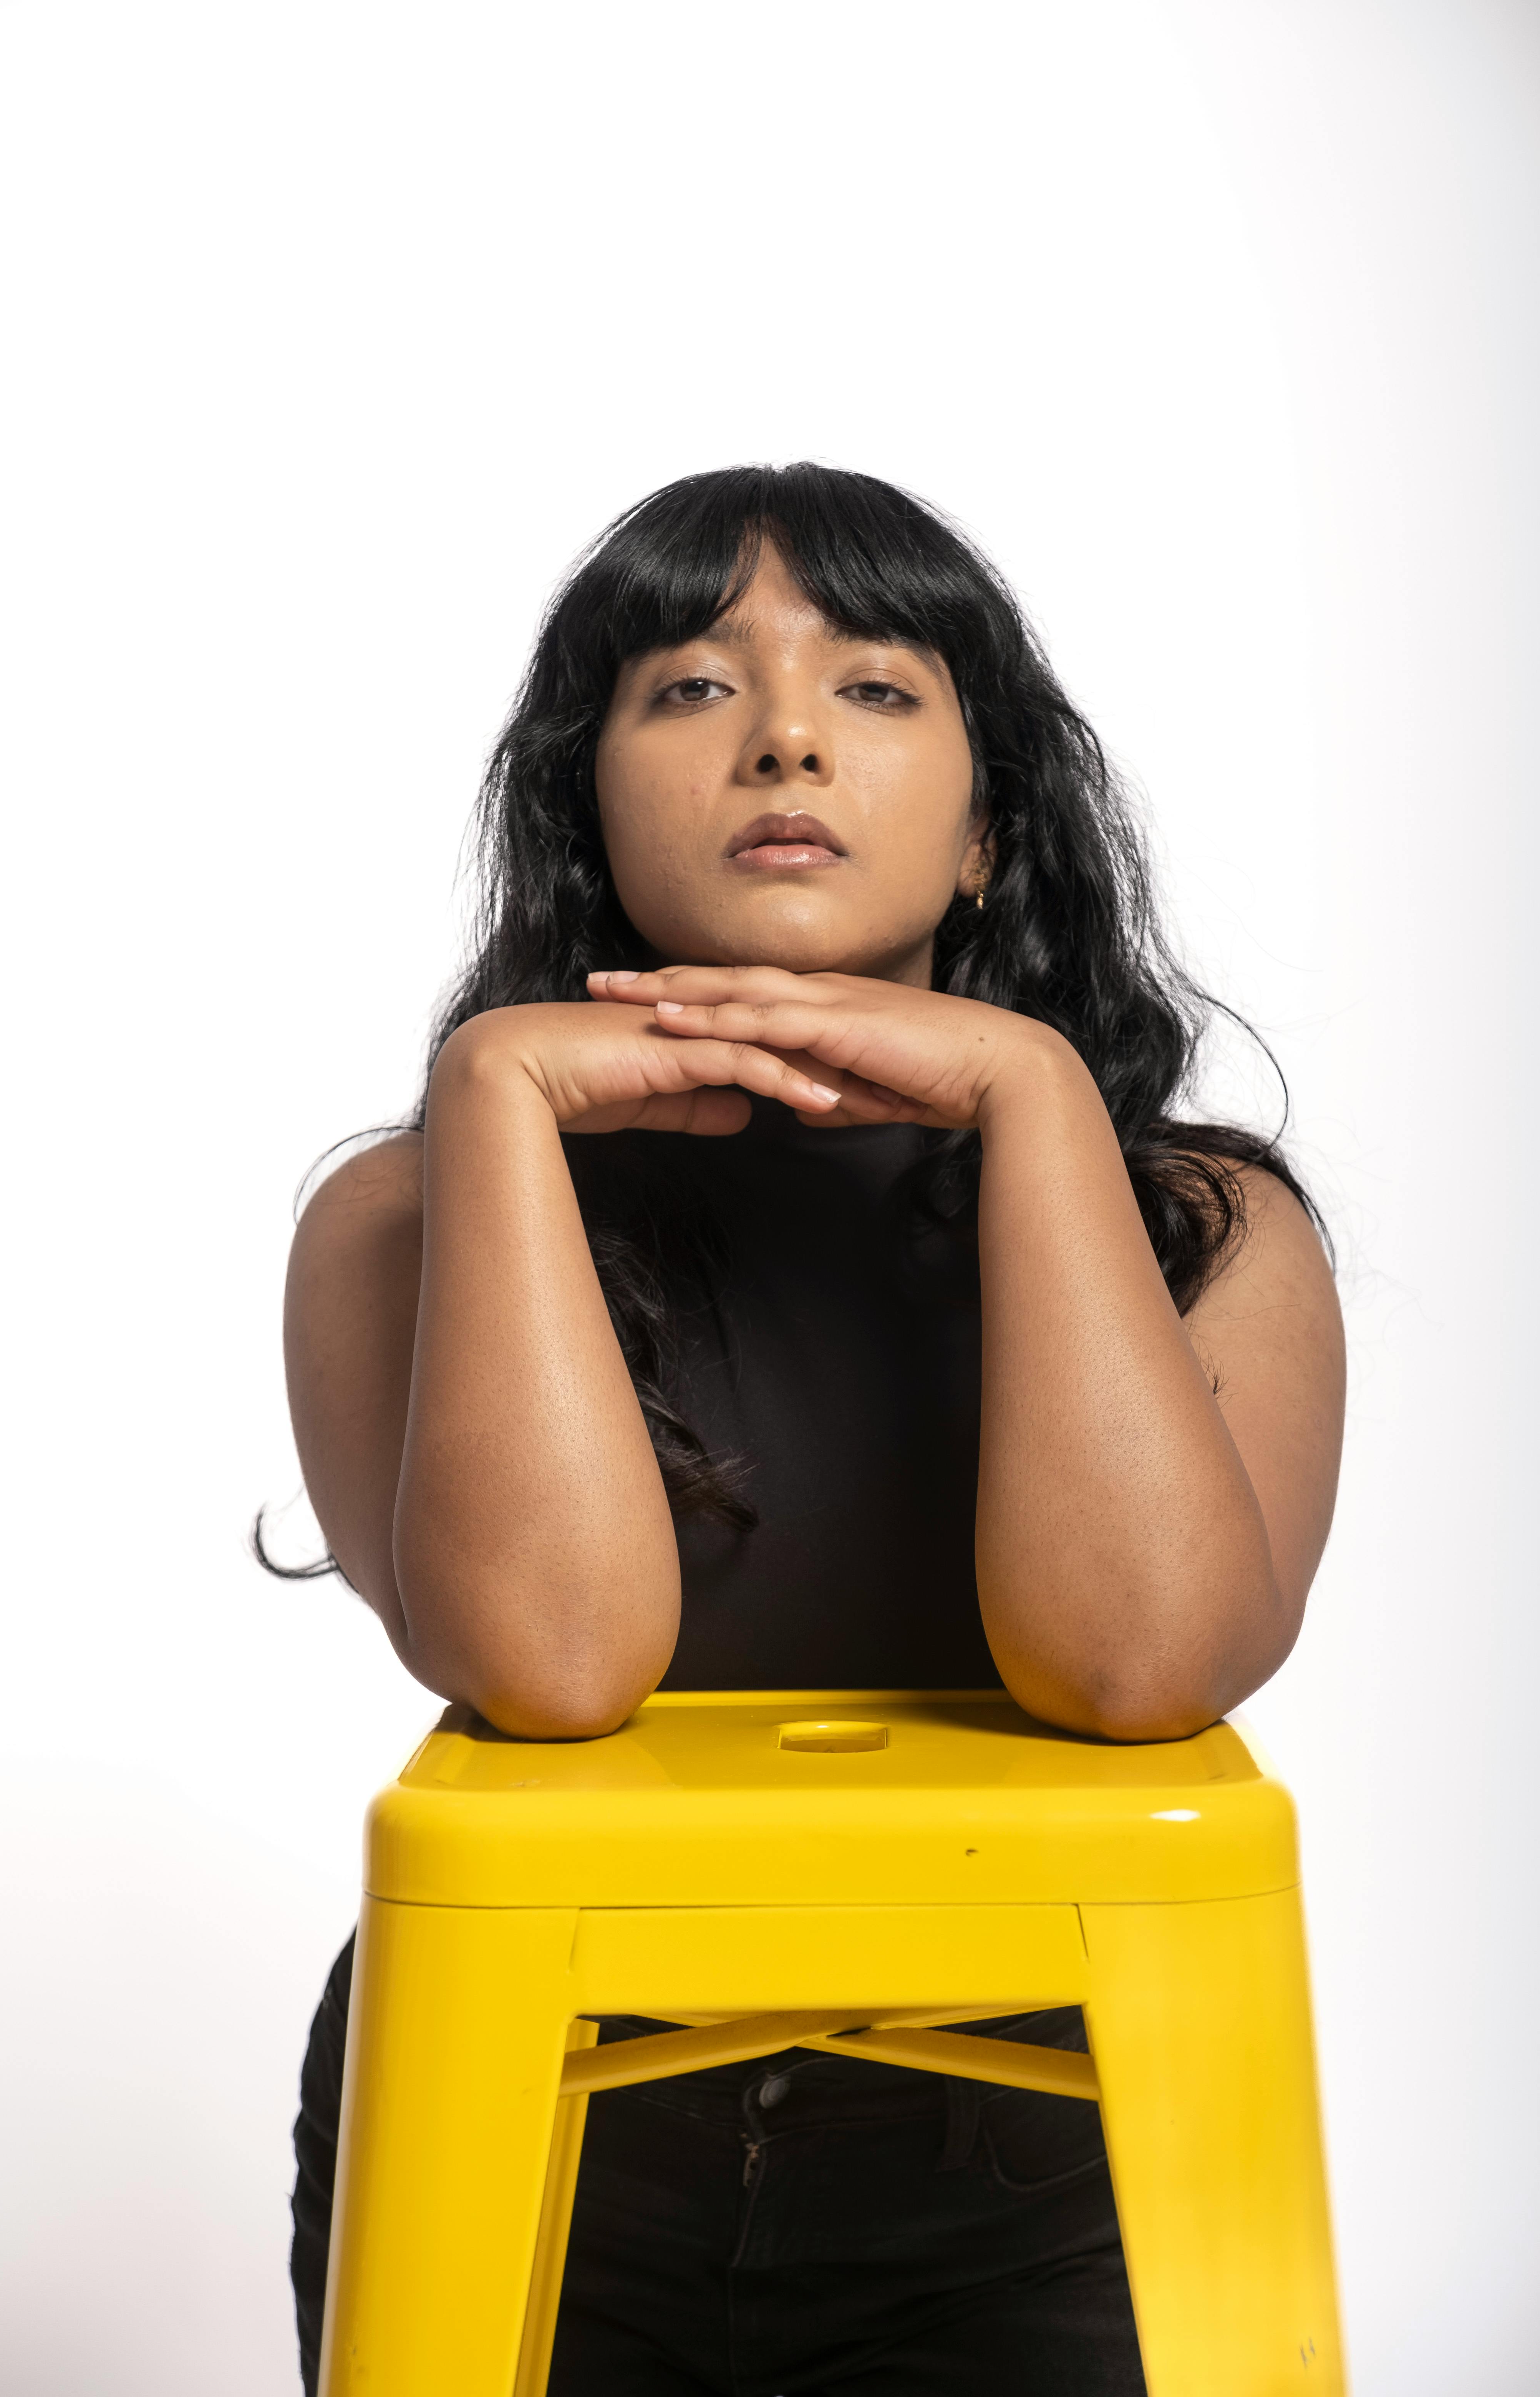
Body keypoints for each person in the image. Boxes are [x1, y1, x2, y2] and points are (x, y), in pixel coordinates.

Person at [272, 463, 1345, 2395]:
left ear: (986, 840)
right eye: (689, 688)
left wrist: (1028, 1100)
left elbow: (1134, 1667)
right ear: (586, 811)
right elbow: (556, 1661)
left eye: (871, 688)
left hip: (1037, 2171)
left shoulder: (1207, 1225)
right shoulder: (402, 1216)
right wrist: (497, 1105)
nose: (780, 734)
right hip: (523, 2137)